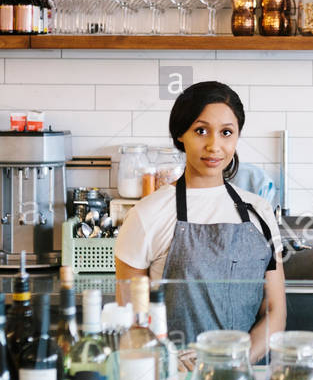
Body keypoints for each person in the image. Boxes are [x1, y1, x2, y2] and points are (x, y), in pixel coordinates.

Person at [115, 81, 285, 363]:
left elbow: (275, 311)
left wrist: (236, 362)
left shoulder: (261, 211)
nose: (214, 145)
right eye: (201, 131)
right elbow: (132, 323)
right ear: (180, 134)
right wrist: (171, 364)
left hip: (244, 378)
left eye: (226, 133)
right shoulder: (146, 215)